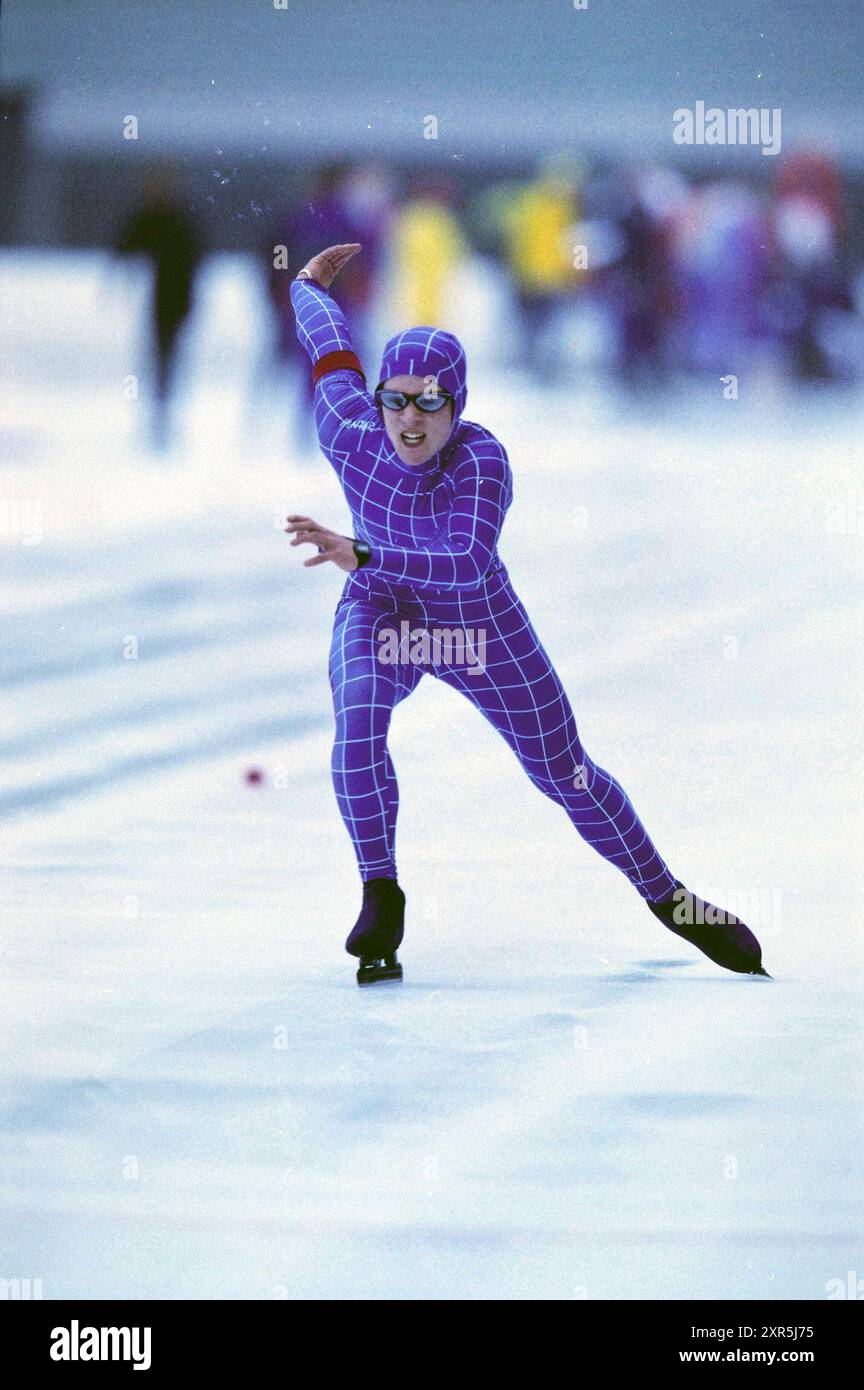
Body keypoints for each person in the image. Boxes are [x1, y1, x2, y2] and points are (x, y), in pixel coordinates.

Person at [285, 244, 769, 986]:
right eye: (396, 399)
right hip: (381, 613)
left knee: (566, 774)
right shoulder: (350, 429)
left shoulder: (481, 461)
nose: (409, 419)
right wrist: (307, 284)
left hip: (479, 631)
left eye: (430, 402)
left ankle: (670, 899)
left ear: (459, 405)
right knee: (356, 722)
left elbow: (466, 560)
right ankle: (380, 892)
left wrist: (367, 555)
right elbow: (328, 348)